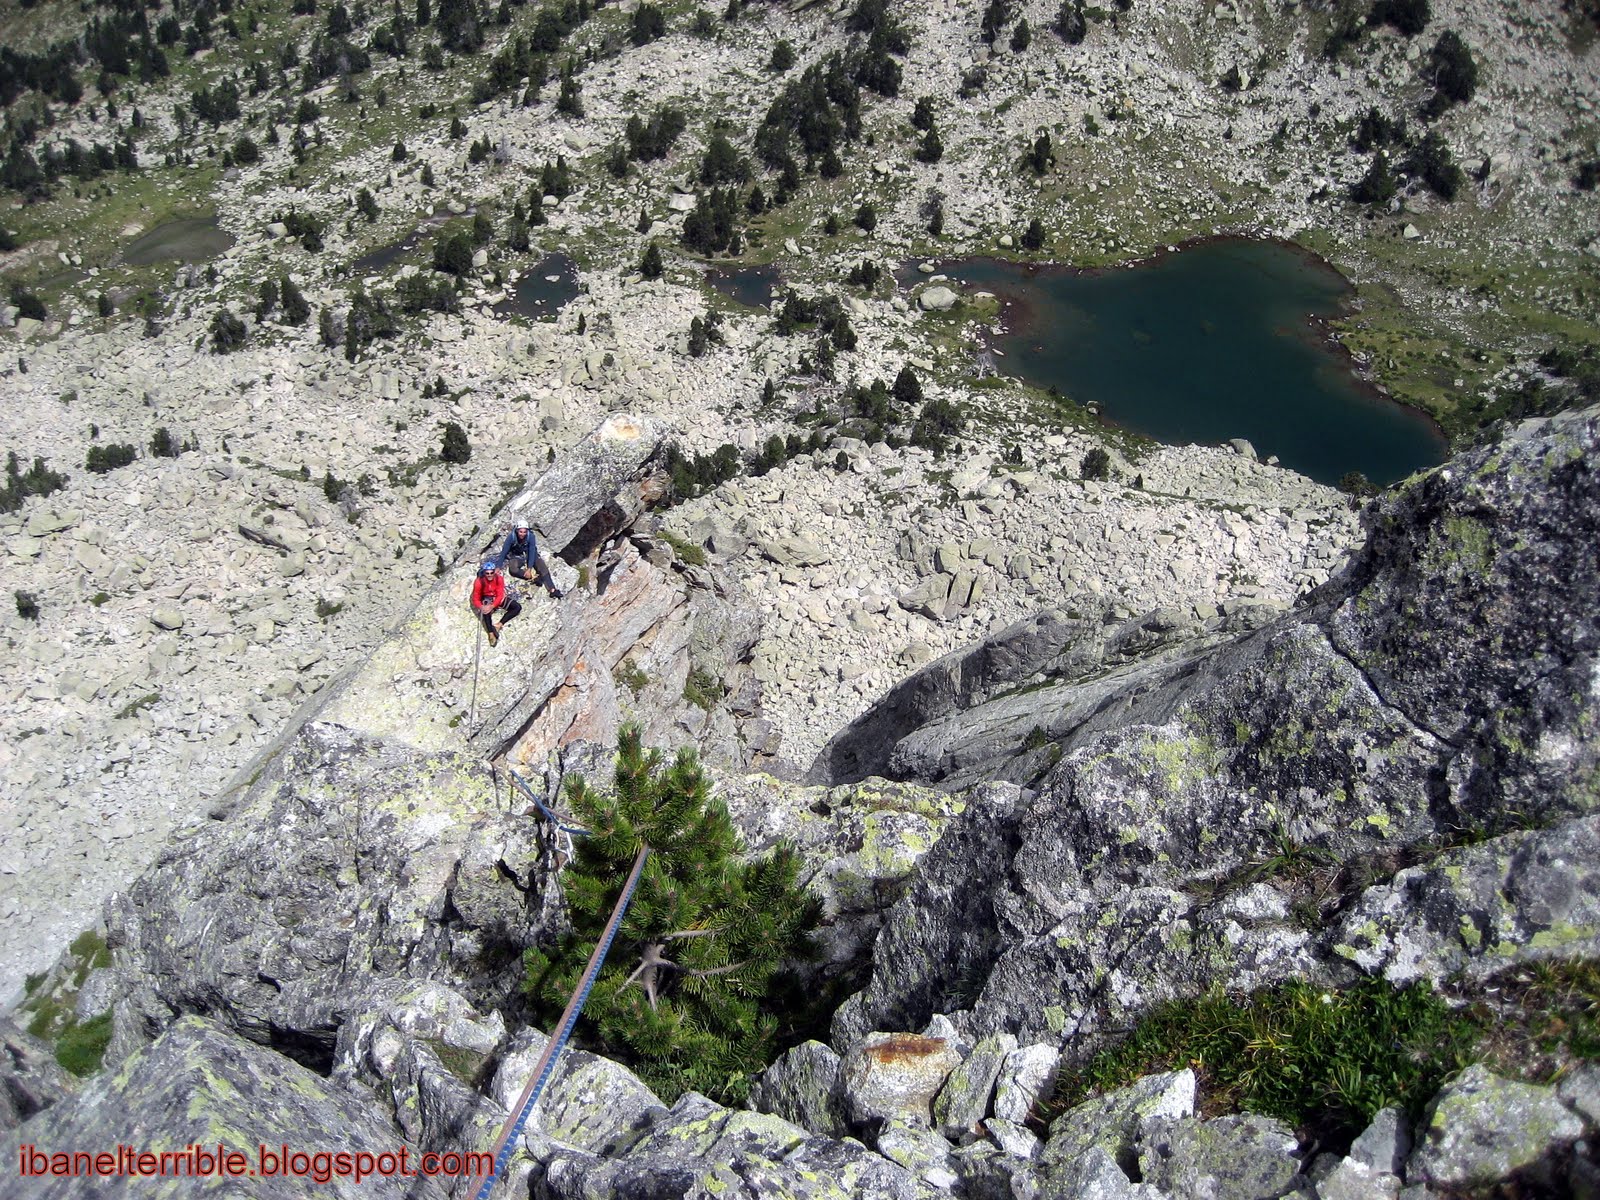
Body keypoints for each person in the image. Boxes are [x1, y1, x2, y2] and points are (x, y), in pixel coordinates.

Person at [496, 519, 563, 599]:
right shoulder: (511, 537)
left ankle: (552, 589)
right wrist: (498, 566)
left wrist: (529, 568)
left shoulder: (530, 536)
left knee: (542, 566)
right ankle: (534, 578)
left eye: (524, 532)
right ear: (517, 530)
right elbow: (504, 552)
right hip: (517, 554)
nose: (523, 534)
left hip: (529, 553)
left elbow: (531, 551)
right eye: (521, 532)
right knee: (513, 569)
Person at [470, 560, 521, 647]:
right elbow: (476, 597)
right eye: (487, 573)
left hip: (497, 597)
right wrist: (481, 606)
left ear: (494, 572)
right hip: (486, 597)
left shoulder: (499, 579)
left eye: (491, 573)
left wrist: (493, 605)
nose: (489, 575)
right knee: (486, 610)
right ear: (484, 573)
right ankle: (491, 633)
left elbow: (500, 594)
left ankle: (499, 625)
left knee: (517, 607)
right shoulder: (479, 582)